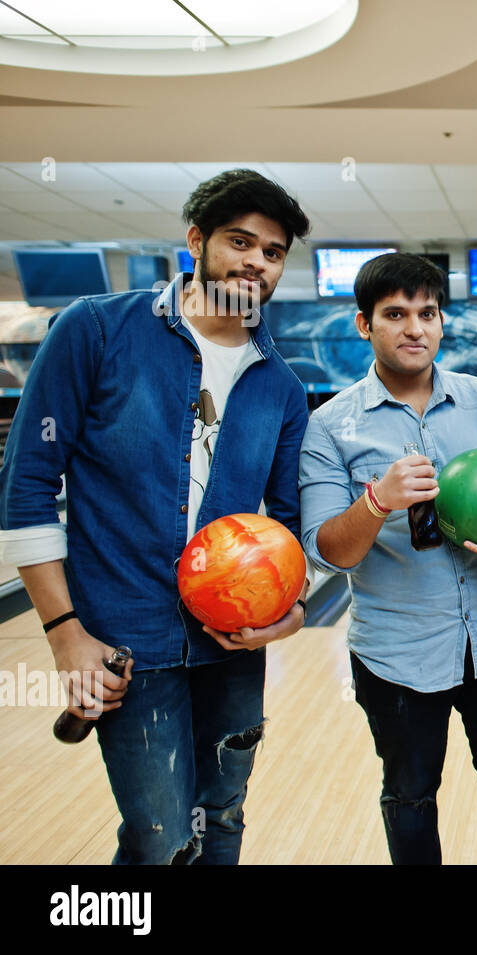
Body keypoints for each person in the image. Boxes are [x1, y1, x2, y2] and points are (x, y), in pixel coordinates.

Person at [0, 168, 312, 864]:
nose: (256, 262)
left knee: (223, 819)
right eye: (240, 241)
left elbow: (288, 525)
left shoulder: (282, 388)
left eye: (273, 251)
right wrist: (64, 634)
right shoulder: (96, 330)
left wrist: (289, 615)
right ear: (195, 240)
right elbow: (26, 485)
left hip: (232, 647)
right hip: (126, 644)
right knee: (162, 838)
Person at [299, 252, 477, 865]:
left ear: (442, 321)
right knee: (410, 797)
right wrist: (377, 499)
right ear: (364, 324)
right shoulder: (330, 427)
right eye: (395, 313)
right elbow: (328, 553)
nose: (415, 328)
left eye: (427, 313)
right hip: (397, 656)